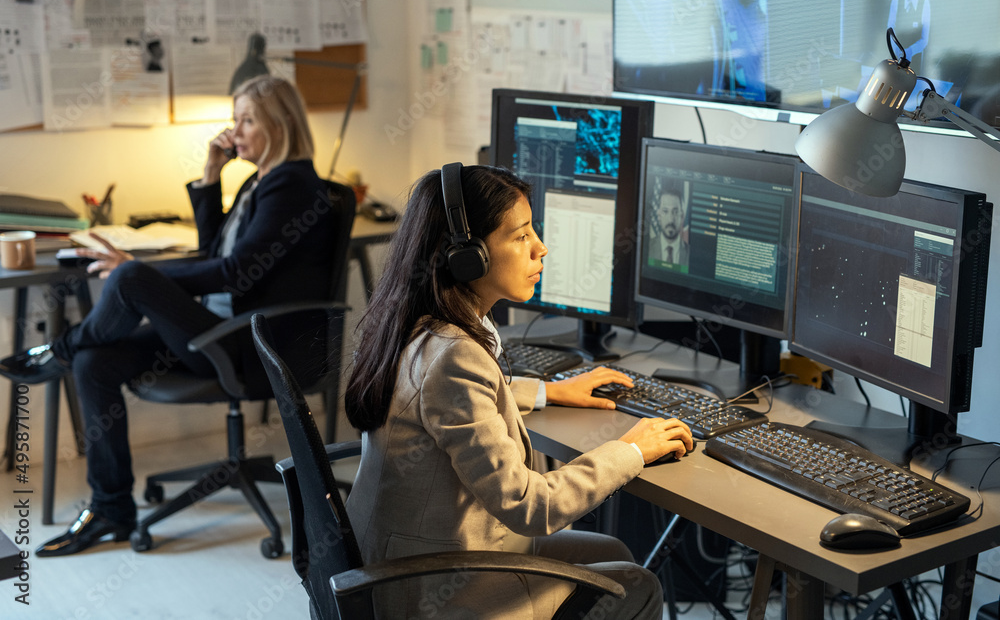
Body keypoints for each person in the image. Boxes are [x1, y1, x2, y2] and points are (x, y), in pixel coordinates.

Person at [0, 76, 341, 557]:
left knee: (133, 278)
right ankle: (111, 510)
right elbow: (214, 249)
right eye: (236, 118)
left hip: (250, 343)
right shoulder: (261, 179)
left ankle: (57, 351)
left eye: (247, 119)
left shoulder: (293, 185)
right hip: (216, 329)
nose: (235, 130)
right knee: (94, 363)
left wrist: (143, 273)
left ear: (280, 123)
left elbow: (237, 271)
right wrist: (209, 175)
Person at [344, 164, 693, 618]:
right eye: (521, 235)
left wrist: (548, 392)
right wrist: (630, 450)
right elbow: (528, 506)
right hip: (430, 585)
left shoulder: (415, 324)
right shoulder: (455, 357)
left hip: (398, 552)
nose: (540, 248)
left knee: (610, 549)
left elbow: (454, 401)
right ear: (468, 256)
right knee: (635, 584)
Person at [649, 180, 689, 270]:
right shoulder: (647, 249)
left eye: (675, 212)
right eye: (665, 211)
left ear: (682, 216)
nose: (670, 219)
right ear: (658, 215)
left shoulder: (690, 254)